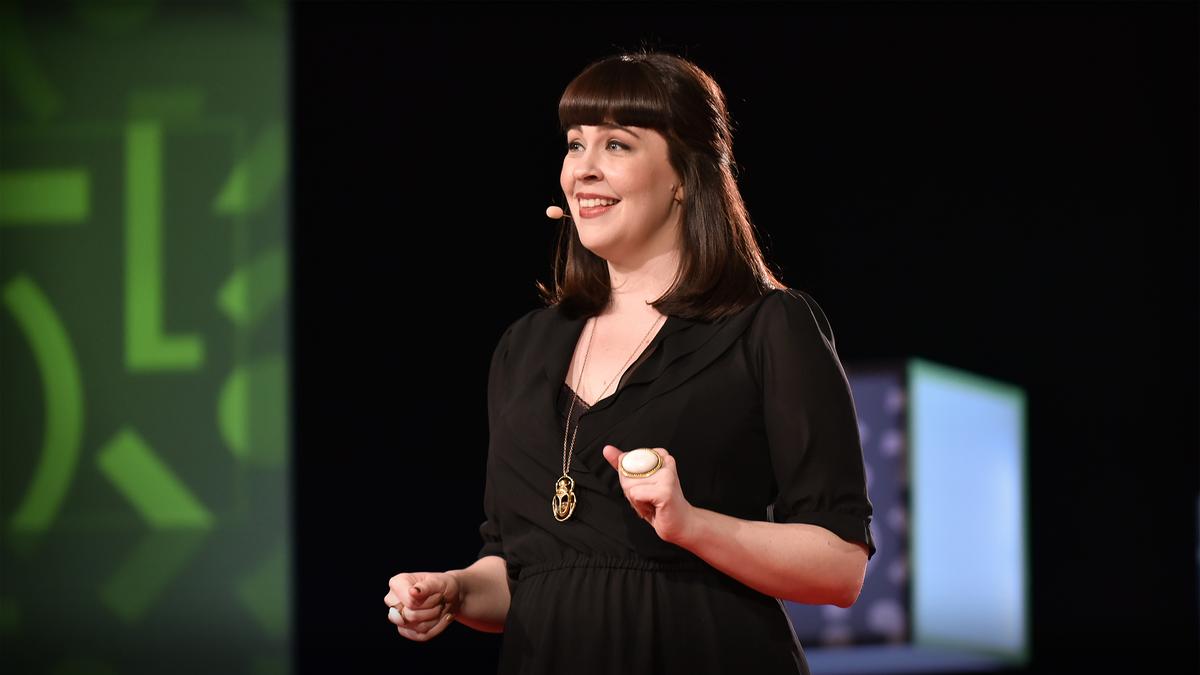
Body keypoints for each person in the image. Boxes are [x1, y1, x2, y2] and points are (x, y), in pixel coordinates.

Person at [384, 50, 876, 674]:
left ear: (683, 176)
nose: (583, 170)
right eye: (574, 145)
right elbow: (521, 569)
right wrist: (454, 591)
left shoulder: (768, 325)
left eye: (616, 145)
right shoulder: (525, 347)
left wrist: (690, 524)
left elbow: (839, 568)